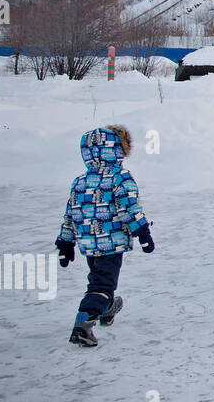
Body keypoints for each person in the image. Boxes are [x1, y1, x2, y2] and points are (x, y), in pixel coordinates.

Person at [54, 125, 154, 347]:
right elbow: (128, 208)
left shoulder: (80, 182)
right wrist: (142, 232)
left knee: (99, 278)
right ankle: (83, 323)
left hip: (88, 243)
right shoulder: (120, 178)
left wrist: (65, 243)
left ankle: (107, 308)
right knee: (101, 285)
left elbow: (71, 214)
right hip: (111, 243)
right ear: (117, 150)